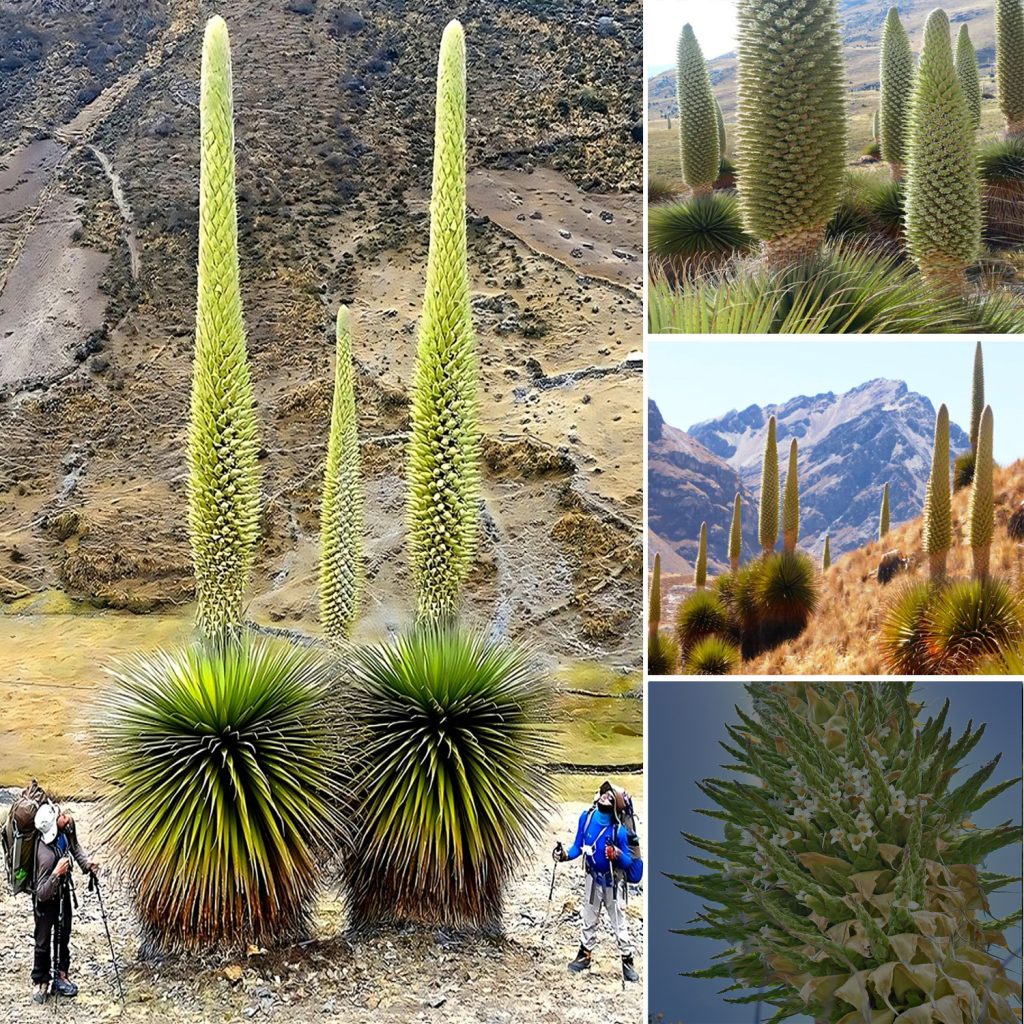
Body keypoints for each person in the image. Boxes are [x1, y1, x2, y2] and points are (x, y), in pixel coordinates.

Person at [553, 783, 639, 982]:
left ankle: (627, 961)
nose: (604, 797)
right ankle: (584, 955)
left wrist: (617, 854)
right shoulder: (586, 818)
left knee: (619, 923)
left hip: (612, 883)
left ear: (614, 807)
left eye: (610, 797)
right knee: (588, 918)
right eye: (604, 794)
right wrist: (564, 855)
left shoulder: (619, 831)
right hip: (592, 878)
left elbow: (628, 862)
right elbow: (577, 846)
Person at [30, 802, 99, 1005]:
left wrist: (86, 864)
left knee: (63, 934)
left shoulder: (66, 827)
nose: (64, 815)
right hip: (46, 902)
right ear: (53, 826)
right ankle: (40, 980)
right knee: (42, 939)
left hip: (63, 893)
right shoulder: (44, 855)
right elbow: (41, 894)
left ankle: (61, 975)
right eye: (59, 815)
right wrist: (55, 874)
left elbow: (74, 846)